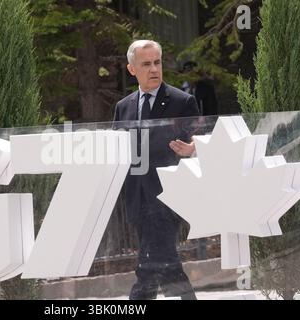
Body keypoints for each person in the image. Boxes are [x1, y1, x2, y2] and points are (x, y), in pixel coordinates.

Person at [113, 40, 199, 300]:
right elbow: (117, 149)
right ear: (132, 69)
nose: (154, 69)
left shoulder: (182, 102)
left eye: (157, 62)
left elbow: (202, 139)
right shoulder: (123, 107)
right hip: (137, 199)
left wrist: (193, 149)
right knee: (163, 265)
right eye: (146, 64)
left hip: (167, 198)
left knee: (149, 266)